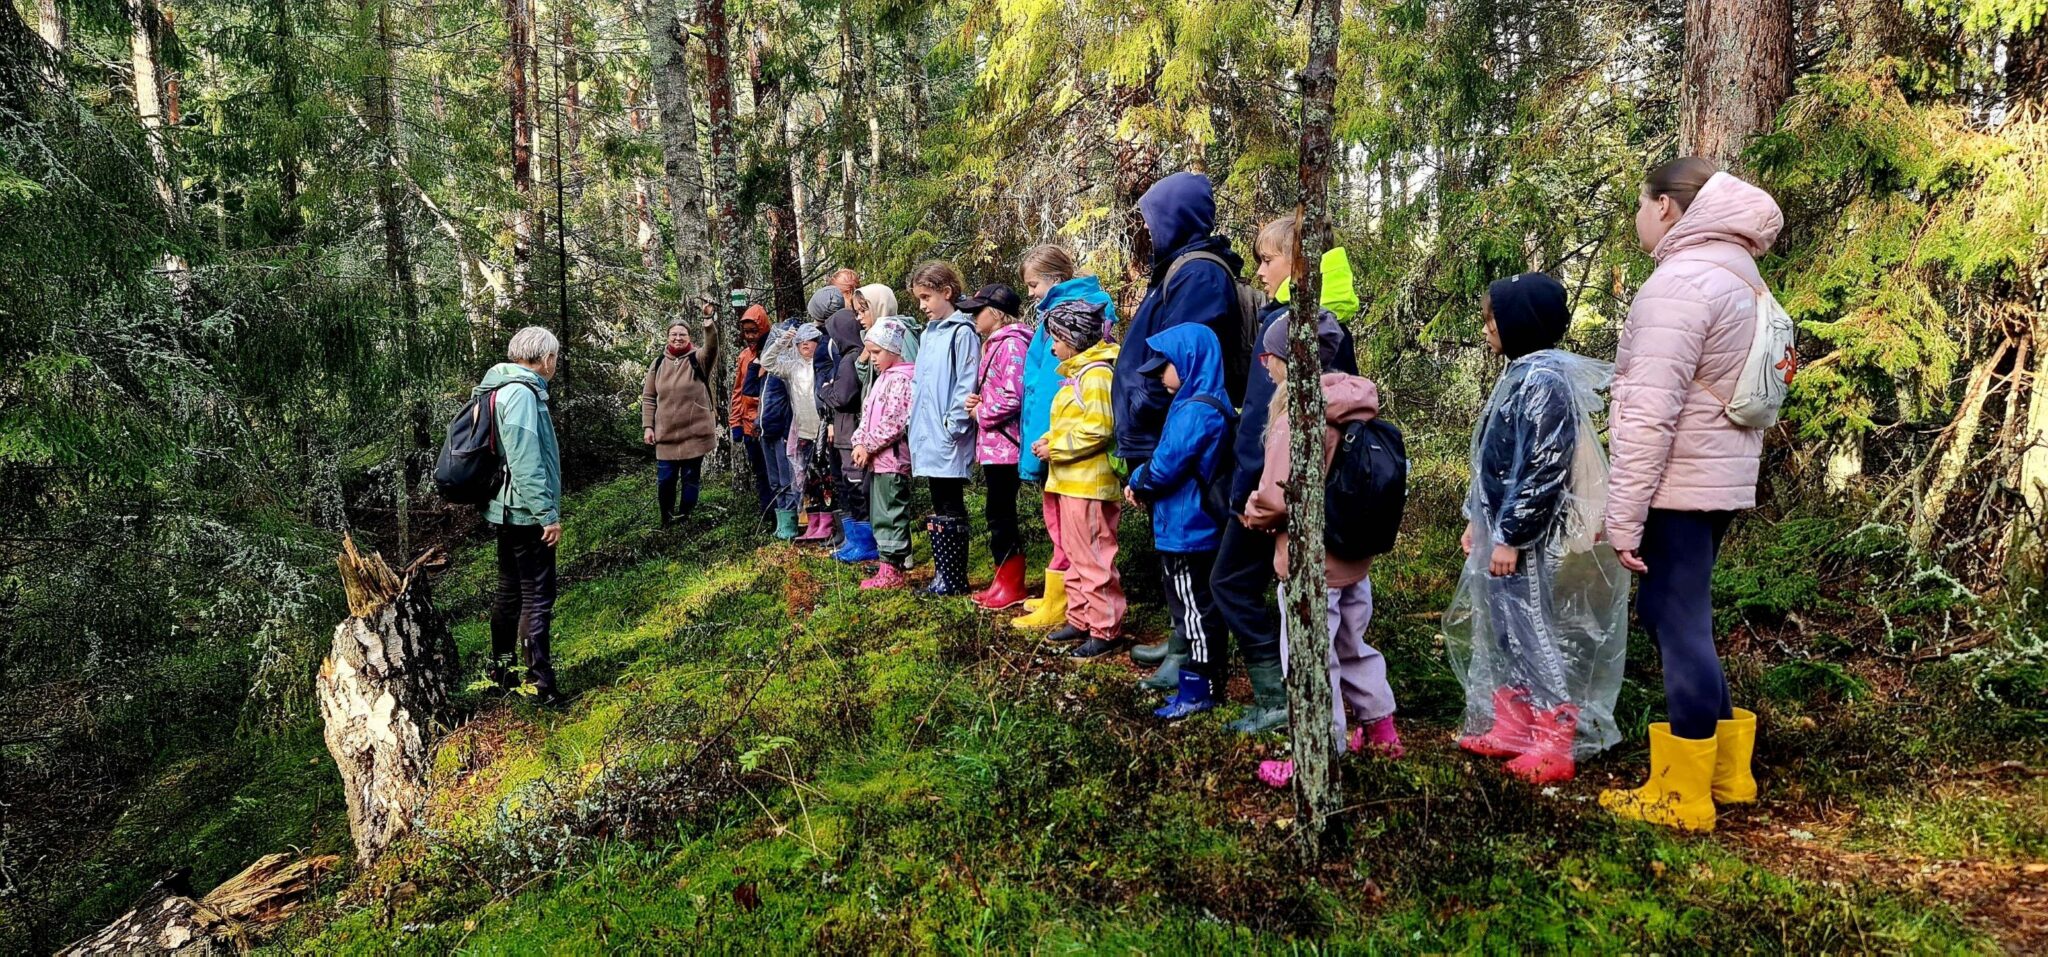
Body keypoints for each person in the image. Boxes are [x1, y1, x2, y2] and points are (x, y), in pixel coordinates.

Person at [1600, 159, 1781, 832]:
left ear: (1665, 207)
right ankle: (1727, 775)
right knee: (1681, 617)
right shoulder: (1742, 276)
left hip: (1679, 481)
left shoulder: (1679, 283)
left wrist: (1623, 519)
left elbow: (1648, 415)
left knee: (1677, 626)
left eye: (1640, 204)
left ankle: (1683, 797)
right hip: (1719, 478)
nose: (1637, 218)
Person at [1446, 273, 1629, 786]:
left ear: (1520, 323)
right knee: (1504, 628)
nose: (1486, 329)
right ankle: (1514, 724)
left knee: (1533, 630)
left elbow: (1543, 468)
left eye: (1494, 319)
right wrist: (1478, 520)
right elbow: (1496, 459)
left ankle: (1554, 740)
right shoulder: (1522, 374)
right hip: (1504, 532)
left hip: (1531, 539)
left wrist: (1512, 535)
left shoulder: (1544, 381)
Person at [1211, 215, 1361, 735]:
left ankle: (1278, 697)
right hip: (1303, 490)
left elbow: (1266, 419)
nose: (1260, 271)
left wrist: (1245, 493)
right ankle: (1308, 697)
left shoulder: (1294, 324)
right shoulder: (1324, 318)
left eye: (1268, 259)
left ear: (1298, 262)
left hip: (1273, 491)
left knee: (1229, 582)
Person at [1242, 320, 1401, 787]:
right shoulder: (1355, 404)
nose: (1265, 364)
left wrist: (1252, 513)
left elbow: (1276, 497)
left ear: (1290, 360)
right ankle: (1382, 730)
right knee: (1352, 645)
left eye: (1270, 355)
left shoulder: (1298, 413)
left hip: (1311, 562)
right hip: (1354, 556)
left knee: (1309, 658)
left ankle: (1317, 753)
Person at [1124, 324, 1233, 715]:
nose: (1158, 375)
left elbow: (1166, 464)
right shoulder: (1205, 402)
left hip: (1188, 529)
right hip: (1193, 524)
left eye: (1163, 366)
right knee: (1198, 608)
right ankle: (1203, 685)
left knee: (1193, 610)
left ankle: (1198, 690)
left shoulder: (1195, 410)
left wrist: (1137, 480)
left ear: (1188, 361)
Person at [1114, 171, 1249, 474]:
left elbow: (1183, 358)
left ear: (1177, 217)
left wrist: (1142, 407)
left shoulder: (1199, 275)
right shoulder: (1178, 270)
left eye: (1154, 217)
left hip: (1168, 436)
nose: (1146, 227)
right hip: (1157, 433)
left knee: (1173, 506)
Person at [1013, 245, 1119, 632]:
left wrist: (1049, 444)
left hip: (1075, 463)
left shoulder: (1081, 343)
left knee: (1081, 540)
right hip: (1056, 447)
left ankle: (1094, 620)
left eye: (1033, 284)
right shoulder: (1060, 320)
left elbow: (1084, 415)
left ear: (1055, 279)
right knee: (1065, 533)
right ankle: (1072, 607)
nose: (1030, 293)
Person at [479, 326, 567, 706]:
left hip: (506, 508)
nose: (555, 363)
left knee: (510, 592)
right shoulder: (521, 394)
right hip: (525, 512)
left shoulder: (502, 386)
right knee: (536, 596)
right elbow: (525, 461)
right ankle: (541, 686)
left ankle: (503, 675)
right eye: (555, 357)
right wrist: (546, 514)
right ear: (545, 359)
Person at [1034, 300, 1125, 658]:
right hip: (1069, 482)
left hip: (1090, 484)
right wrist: (1049, 439)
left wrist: (1055, 448)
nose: (1052, 347)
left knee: (1093, 556)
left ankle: (1105, 628)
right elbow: (1074, 424)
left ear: (1074, 339)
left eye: (1057, 339)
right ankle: (1080, 617)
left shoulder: (1097, 375)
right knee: (1074, 553)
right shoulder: (1078, 374)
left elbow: (1099, 429)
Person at [907, 261, 981, 596]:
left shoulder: (962, 332)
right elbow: (920, 383)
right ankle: (944, 574)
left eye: (927, 297)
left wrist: (954, 425)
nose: (922, 305)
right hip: (928, 431)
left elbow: (966, 381)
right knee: (939, 500)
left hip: (948, 432)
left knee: (950, 501)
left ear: (947, 292)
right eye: (919, 299)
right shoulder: (928, 334)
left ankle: (953, 577)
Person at [961, 283, 1032, 609]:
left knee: (1001, 514)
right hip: (995, 446)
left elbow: (1014, 395)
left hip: (1006, 446)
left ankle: (1012, 584)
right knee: (996, 513)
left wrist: (982, 412)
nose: (973, 316)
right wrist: (979, 400)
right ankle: (1002, 580)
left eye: (978, 310)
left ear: (997, 313)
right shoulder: (996, 344)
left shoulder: (1011, 344)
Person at [851, 317, 918, 589]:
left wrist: (868, 445)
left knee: (891, 512)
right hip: (878, 461)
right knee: (880, 512)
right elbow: (867, 415)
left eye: (877, 352)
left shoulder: (902, 379)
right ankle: (886, 564)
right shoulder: (883, 378)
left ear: (893, 349)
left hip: (893, 460)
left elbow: (894, 423)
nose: (873, 358)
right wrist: (859, 442)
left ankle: (893, 568)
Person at [641, 303, 721, 528]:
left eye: (682, 334)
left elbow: (712, 346)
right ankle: (667, 522)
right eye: (674, 334)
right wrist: (648, 426)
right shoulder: (658, 363)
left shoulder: (698, 359)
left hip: (695, 434)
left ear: (689, 337)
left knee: (690, 480)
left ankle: (685, 519)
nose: (678, 338)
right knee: (665, 481)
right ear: (668, 337)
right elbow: (649, 397)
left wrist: (708, 321)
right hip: (665, 436)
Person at [760, 317, 829, 541]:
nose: (805, 344)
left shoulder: (824, 366)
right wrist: (782, 341)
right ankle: (813, 524)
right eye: (800, 341)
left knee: (826, 480)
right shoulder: (792, 368)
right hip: (803, 433)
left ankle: (828, 524)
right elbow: (767, 362)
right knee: (807, 481)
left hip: (822, 432)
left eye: (810, 340)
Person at [794, 287, 846, 544]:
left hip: (828, 421)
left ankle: (837, 527)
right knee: (815, 477)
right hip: (814, 425)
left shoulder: (830, 342)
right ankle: (822, 524)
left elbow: (830, 381)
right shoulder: (828, 339)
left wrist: (830, 416)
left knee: (832, 476)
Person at [820, 296, 868, 553]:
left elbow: (842, 396)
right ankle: (854, 540)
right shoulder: (854, 357)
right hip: (845, 432)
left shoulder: (851, 360)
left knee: (856, 486)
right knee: (848, 487)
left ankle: (864, 543)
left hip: (851, 432)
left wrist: (825, 390)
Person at [729, 304, 775, 520]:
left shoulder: (774, 353)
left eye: (754, 331)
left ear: (763, 329)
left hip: (769, 424)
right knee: (760, 473)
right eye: (746, 332)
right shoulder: (744, 356)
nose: (750, 336)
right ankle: (767, 513)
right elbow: (738, 392)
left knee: (775, 471)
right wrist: (735, 424)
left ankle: (783, 513)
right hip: (748, 427)